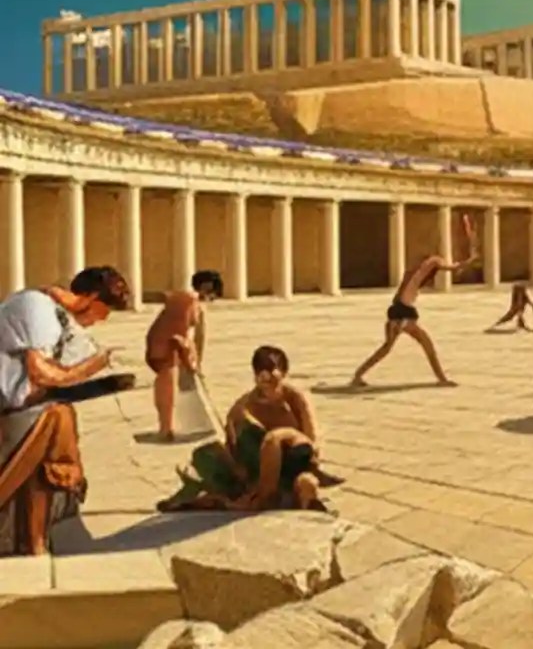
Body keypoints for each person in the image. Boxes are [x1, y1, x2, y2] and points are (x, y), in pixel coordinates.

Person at [0, 267, 130, 555]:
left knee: (58, 421)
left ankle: (36, 541)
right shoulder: (37, 307)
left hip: (19, 404)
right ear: (91, 297)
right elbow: (42, 374)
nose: (102, 319)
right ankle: (36, 535)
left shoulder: (57, 317)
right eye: (104, 310)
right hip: (8, 407)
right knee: (58, 419)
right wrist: (90, 368)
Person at [157, 346, 341, 513]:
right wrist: (238, 466)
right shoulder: (245, 406)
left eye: (272, 375)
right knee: (205, 455)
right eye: (262, 374)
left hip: (291, 465)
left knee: (306, 484)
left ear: (283, 373)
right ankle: (215, 496)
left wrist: (283, 440)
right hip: (254, 470)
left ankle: (271, 497)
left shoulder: (295, 399)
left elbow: (311, 442)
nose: (267, 381)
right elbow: (232, 443)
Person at [351, 217, 479, 387]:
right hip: (403, 310)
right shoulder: (433, 261)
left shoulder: (416, 266)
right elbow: (454, 268)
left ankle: (358, 375)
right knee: (424, 344)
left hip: (398, 308)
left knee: (388, 347)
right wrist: (469, 260)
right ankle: (442, 379)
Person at [145, 270, 222, 441]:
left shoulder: (180, 299)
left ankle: (165, 426)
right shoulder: (192, 303)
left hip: (160, 343)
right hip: (169, 345)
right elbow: (188, 335)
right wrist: (192, 361)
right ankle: (166, 428)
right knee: (169, 386)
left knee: (165, 384)